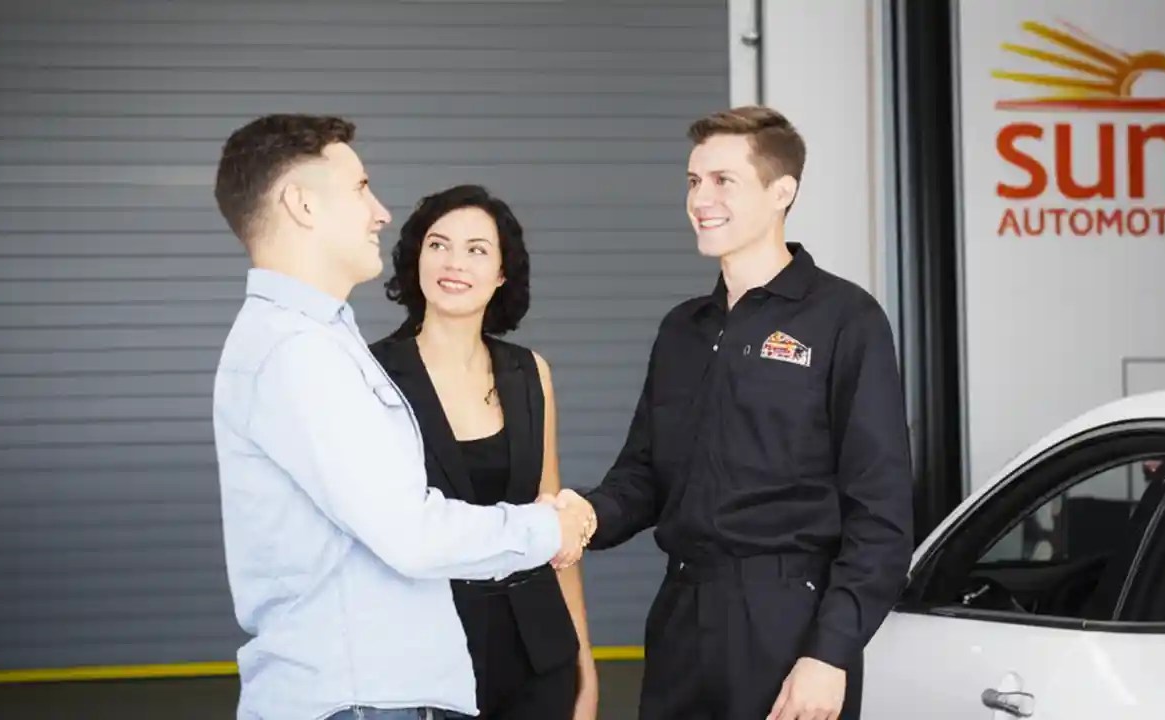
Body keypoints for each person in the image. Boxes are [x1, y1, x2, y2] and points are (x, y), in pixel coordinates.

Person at [209, 115, 595, 720]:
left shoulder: (318, 341)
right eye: (360, 188)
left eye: (477, 250)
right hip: (358, 699)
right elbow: (410, 533)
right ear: (303, 204)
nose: (380, 213)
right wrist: (551, 528)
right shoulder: (299, 352)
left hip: (398, 688)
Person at [557, 105, 915, 720]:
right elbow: (643, 476)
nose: (701, 199)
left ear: (782, 192)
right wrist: (583, 516)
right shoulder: (683, 330)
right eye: (694, 181)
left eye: (724, 180)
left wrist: (830, 652)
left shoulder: (844, 320)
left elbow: (880, 514)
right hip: (682, 615)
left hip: (787, 623)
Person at [369, 184, 599, 719]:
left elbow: (555, 528)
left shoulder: (530, 372)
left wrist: (584, 662)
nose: (454, 263)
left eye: (476, 249)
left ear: (501, 274)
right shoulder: (372, 375)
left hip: (539, 652)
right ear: (416, 259)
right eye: (438, 245)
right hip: (425, 658)